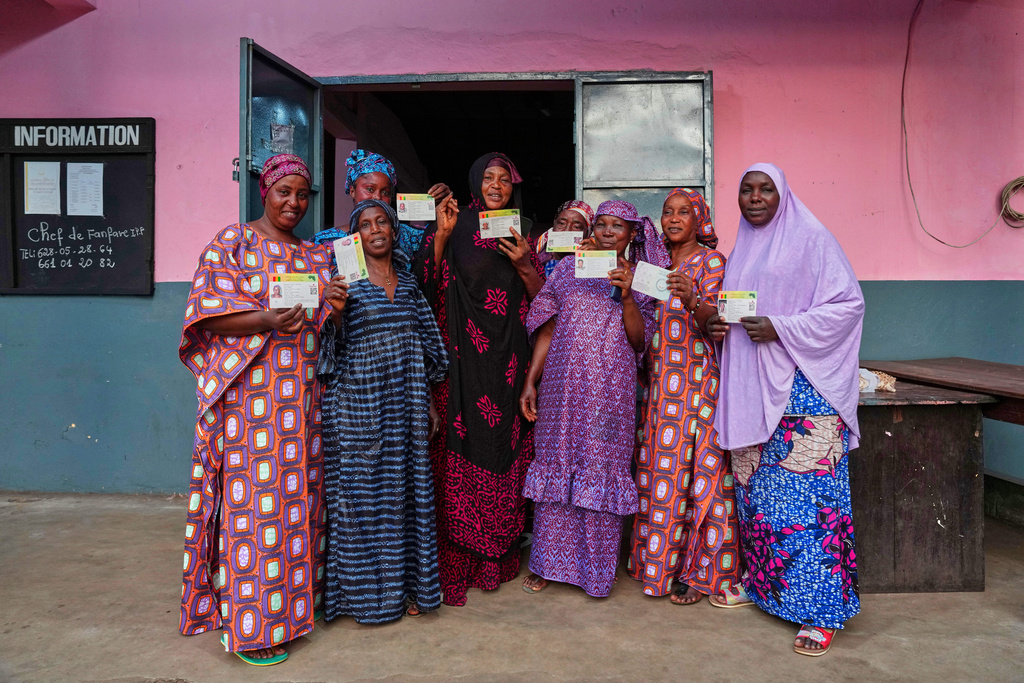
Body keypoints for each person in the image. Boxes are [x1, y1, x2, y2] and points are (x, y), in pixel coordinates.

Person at [178, 154, 333, 666]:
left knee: (296, 511)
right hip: (253, 406)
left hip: (302, 405)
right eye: (283, 191)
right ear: (264, 191)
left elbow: (321, 321)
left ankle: (291, 611)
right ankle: (256, 627)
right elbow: (204, 317)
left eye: (302, 194)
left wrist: (334, 300)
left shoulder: (315, 256)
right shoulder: (234, 243)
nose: (293, 202)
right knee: (257, 511)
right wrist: (266, 318)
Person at [706, 163, 864, 657]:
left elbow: (848, 306)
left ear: (783, 195)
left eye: (765, 190)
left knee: (812, 506)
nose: (754, 198)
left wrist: (781, 328)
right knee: (765, 500)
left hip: (804, 392)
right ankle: (768, 591)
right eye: (746, 190)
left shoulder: (812, 238)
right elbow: (741, 312)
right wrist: (719, 325)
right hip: (754, 388)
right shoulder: (746, 248)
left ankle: (821, 612)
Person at [413, 153, 544, 606]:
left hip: (507, 366)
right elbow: (422, 288)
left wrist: (527, 263)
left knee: (503, 449)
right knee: (456, 453)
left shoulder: (523, 233)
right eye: (487, 177)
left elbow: (544, 304)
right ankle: (459, 561)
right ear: (474, 182)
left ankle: (497, 558)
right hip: (459, 365)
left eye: (504, 179)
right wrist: (444, 233)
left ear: (513, 187)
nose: (495, 185)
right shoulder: (453, 221)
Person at [317, 198, 453, 624]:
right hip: (359, 411)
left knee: (406, 500)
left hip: (406, 413)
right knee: (362, 501)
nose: (376, 230)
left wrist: (429, 401)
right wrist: (335, 315)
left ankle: (407, 592)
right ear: (354, 238)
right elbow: (330, 352)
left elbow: (429, 347)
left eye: (383, 223)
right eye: (365, 225)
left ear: (395, 231)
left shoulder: (410, 285)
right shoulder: (346, 284)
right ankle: (364, 601)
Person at [519, 200, 657, 597]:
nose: (609, 231)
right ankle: (547, 563)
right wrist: (532, 381)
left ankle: (595, 570)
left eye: (619, 226)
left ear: (632, 235)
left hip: (608, 394)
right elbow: (547, 327)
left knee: (599, 467)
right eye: (602, 224)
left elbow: (638, 341)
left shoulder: (641, 279)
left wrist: (627, 294)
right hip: (562, 390)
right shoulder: (569, 268)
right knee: (557, 463)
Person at [627, 189, 742, 605]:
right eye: (667, 212)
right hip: (660, 391)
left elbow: (718, 324)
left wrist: (693, 298)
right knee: (662, 481)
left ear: (699, 220)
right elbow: (639, 330)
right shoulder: (653, 266)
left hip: (700, 386)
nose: (674, 219)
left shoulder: (714, 263)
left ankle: (704, 576)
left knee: (707, 481)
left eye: (684, 213)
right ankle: (658, 569)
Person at [313, 149, 450, 265]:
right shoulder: (324, 242)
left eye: (385, 192)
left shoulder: (408, 236)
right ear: (352, 191)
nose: (377, 197)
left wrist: (444, 207)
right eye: (370, 189)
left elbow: (442, 245)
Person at [535, 200, 594, 278]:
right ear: (554, 225)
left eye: (576, 227)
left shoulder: (594, 255)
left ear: (587, 233)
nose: (567, 230)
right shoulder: (537, 254)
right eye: (561, 223)